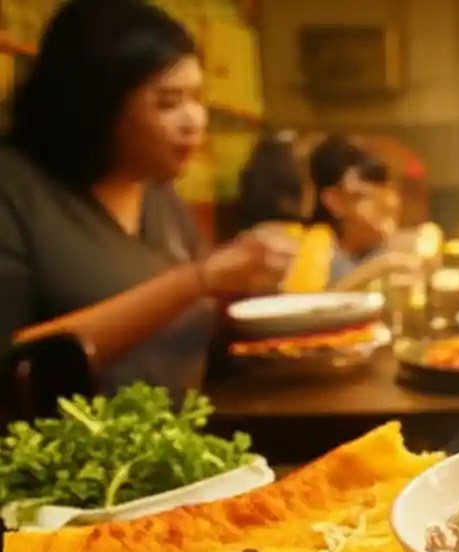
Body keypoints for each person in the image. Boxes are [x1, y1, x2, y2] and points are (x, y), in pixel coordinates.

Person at [0, 0, 291, 394]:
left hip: (180, 441)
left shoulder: (157, 194)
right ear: (96, 104)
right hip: (64, 453)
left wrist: (244, 284)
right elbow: (15, 362)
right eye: (168, 103)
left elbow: (190, 325)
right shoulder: (16, 188)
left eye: (197, 98)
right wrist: (197, 280)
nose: (195, 121)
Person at [308, 134, 422, 290]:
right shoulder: (314, 252)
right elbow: (310, 307)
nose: (390, 204)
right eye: (367, 197)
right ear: (335, 201)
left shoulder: (406, 247)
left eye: (390, 191)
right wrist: (380, 269)